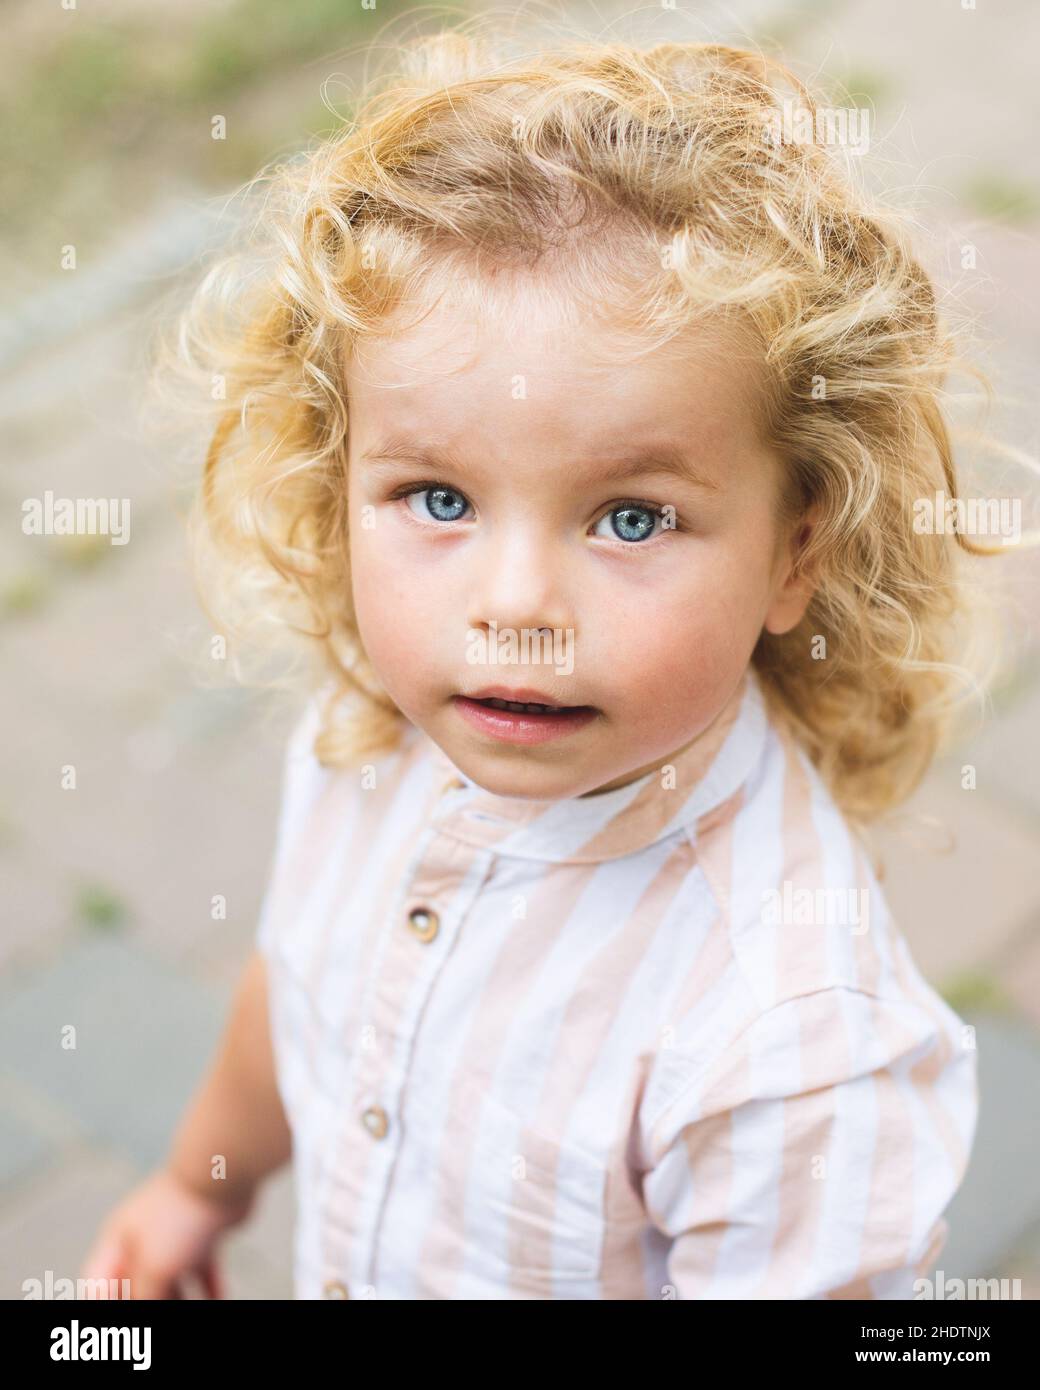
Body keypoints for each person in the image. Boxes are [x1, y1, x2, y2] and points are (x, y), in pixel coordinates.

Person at [81, 28, 1004, 1300]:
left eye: (631, 517)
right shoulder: (368, 742)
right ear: (335, 478)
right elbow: (296, 985)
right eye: (437, 500)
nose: (514, 609)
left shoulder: (786, 1042)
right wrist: (199, 1183)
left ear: (796, 552)